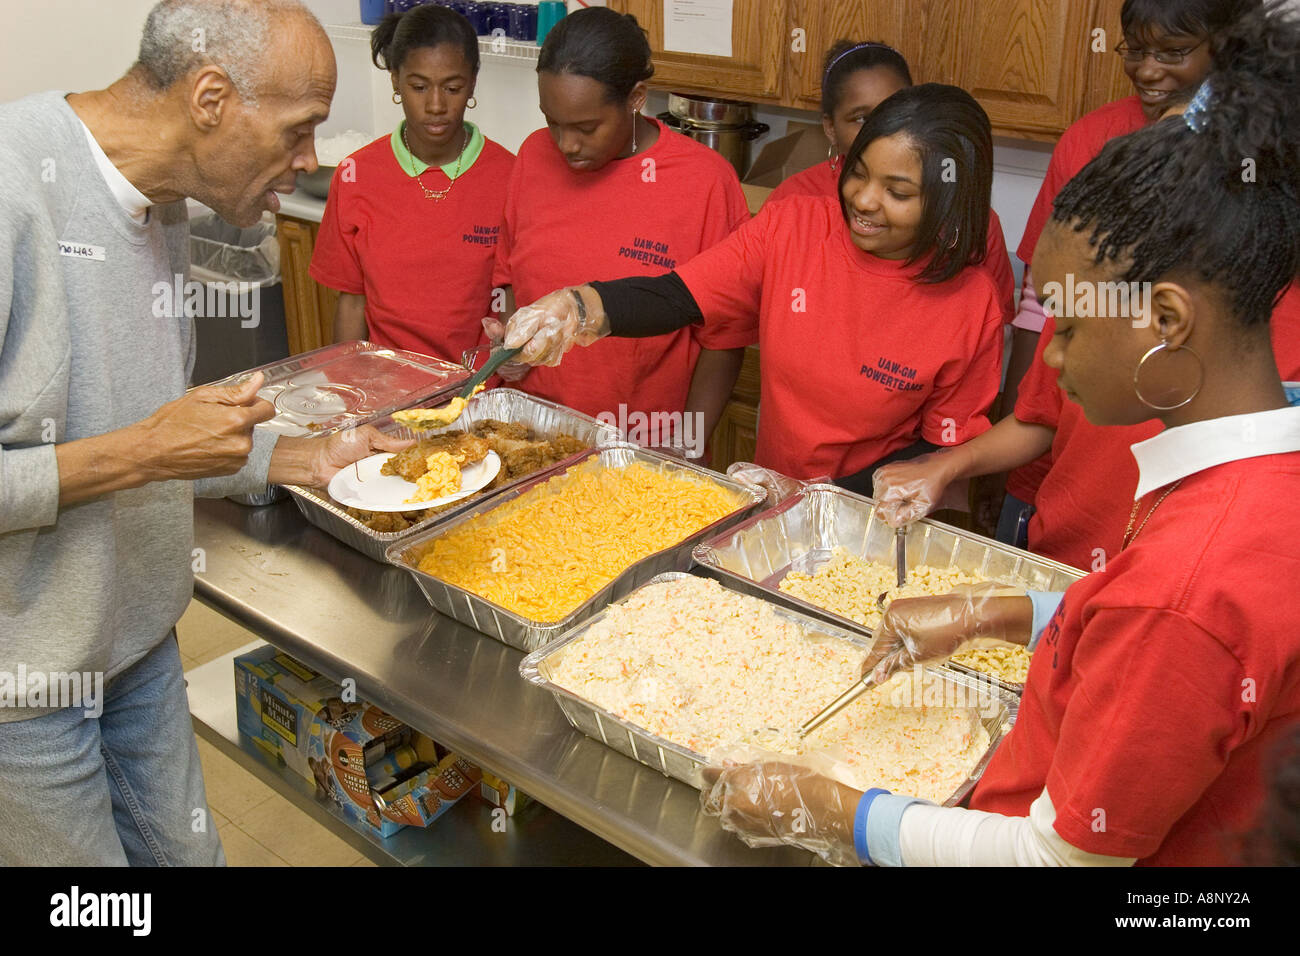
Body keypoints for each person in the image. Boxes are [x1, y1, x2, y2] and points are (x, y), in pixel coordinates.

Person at [700, 0, 1300, 866]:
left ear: (1165, 320)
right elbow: (1130, 627)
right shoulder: (1247, 472)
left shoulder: (1190, 586)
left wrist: (834, 808)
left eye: (1067, 325)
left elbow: (1060, 858)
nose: (1047, 360)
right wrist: (1001, 612)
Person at [0, 0, 407, 866]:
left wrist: (302, 457)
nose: (306, 164)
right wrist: (146, 451)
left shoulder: (165, 204)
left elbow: (147, 421)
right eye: (300, 131)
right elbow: (144, 443)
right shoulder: (10, 190)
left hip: (136, 641)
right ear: (212, 98)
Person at [499, 84, 1005, 486]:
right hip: (771, 492)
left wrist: (824, 497)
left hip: (873, 514)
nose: (865, 200)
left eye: (897, 192)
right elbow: (676, 297)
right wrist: (580, 306)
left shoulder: (970, 302)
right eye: (859, 174)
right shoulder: (793, 226)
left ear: (948, 200)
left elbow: (942, 449)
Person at [997, 0, 1250, 545]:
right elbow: (1043, 301)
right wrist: (1021, 418)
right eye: (1135, 50)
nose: (1149, 69)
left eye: (1173, 52)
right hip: (1065, 468)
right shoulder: (1089, 138)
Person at [485, 7, 750, 454]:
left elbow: (725, 338)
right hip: (533, 436)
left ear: (636, 97)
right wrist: (514, 347)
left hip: (641, 444)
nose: (567, 145)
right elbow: (512, 275)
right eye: (553, 122)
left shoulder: (705, 183)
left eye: (587, 127)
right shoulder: (533, 156)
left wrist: (686, 448)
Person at [311, 4, 514, 364]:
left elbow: (514, 298)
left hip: (477, 395)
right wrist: (347, 387)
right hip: (387, 388)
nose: (436, 105)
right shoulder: (356, 175)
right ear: (395, 79)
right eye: (419, 86)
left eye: (453, 87)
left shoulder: (510, 176)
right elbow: (352, 301)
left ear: (473, 81)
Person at [770, 39, 1015, 323]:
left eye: (895, 110)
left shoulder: (968, 214)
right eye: (862, 118)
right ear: (831, 128)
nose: (882, 129)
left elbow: (995, 321)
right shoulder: (793, 202)